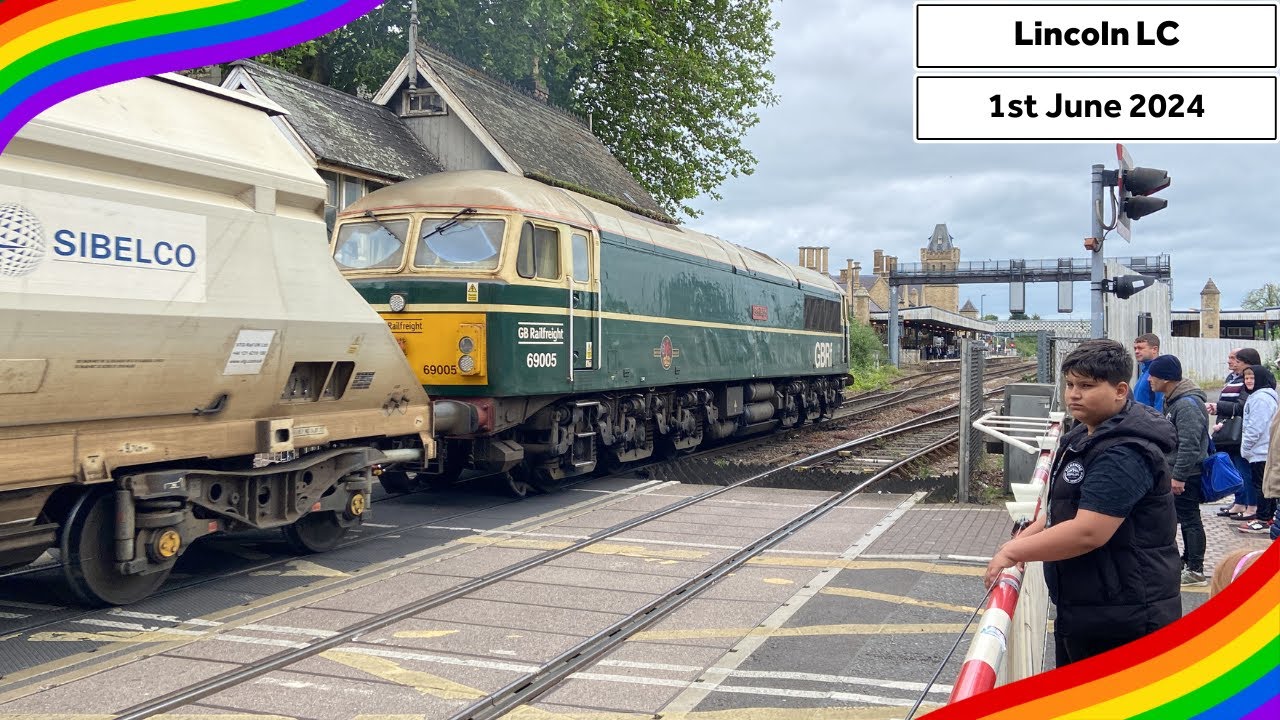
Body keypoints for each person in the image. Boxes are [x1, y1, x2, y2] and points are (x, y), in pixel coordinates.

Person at [985, 339, 1180, 666]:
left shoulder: (1124, 452)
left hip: (1126, 617)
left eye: (1087, 386)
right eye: (1070, 384)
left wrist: (1012, 552)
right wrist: (1028, 536)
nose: (1074, 394)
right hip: (1095, 607)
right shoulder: (1085, 436)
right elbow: (1059, 514)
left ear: (1120, 390)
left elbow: (1089, 531)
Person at [1146, 355, 1210, 586]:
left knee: (1190, 519)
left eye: (1153, 375)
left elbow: (1190, 443)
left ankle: (1196, 569)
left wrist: (1179, 476)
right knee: (1182, 518)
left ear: (1166, 378)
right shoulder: (1173, 399)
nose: (1149, 379)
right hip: (1176, 471)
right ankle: (1186, 561)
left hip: (1186, 474)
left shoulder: (1186, 404)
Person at [1208, 348, 1259, 520]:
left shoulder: (1249, 380)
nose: (1231, 362)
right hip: (1226, 430)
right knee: (1235, 468)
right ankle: (1239, 502)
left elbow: (1243, 406)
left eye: (1236, 359)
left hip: (1238, 432)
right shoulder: (1232, 378)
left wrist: (1219, 407)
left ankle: (1250, 504)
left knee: (1244, 470)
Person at [1238, 364, 1277, 534]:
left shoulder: (1261, 398)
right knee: (1263, 485)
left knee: (1261, 487)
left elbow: (1255, 427)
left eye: (1252, 377)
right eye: (1246, 378)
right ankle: (1269, 517)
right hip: (1261, 450)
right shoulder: (1260, 396)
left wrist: (1245, 448)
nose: (1248, 381)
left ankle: (1263, 519)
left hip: (1260, 451)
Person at [1132, 333, 1165, 412]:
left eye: (1140, 348)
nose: (1136, 351)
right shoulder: (1145, 371)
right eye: (1135, 348)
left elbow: (1160, 405)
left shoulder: (1160, 371)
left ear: (1154, 349)